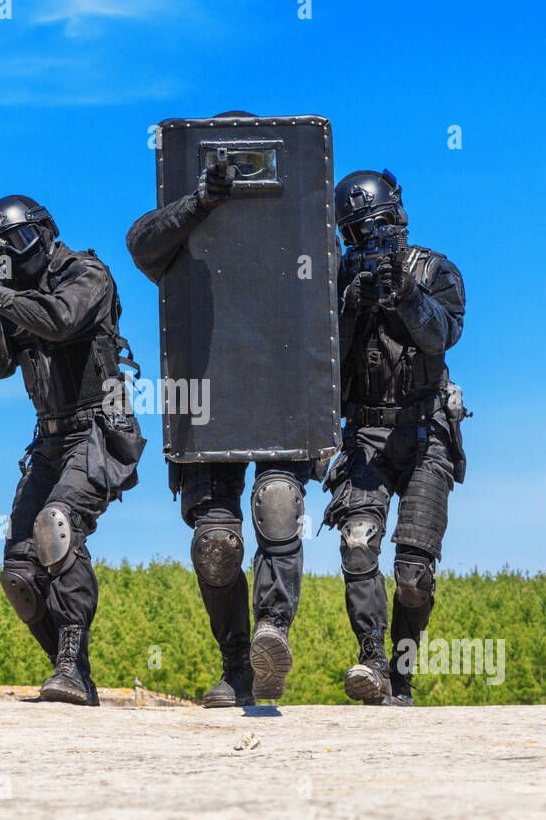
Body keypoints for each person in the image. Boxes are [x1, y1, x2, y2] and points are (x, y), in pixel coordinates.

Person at [126, 137, 313, 706]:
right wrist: (201, 203)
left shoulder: (299, 226)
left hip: (282, 390)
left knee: (278, 504)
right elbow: (139, 244)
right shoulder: (181, 231)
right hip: (204, 400)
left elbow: (326, 303)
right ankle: (238, 668)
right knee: (215, 543)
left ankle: (271, 631)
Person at [0, 195, 145, 706]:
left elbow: (60, 320)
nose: (12, 252)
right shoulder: (13, 292)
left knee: (56, 527)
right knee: (19, 573)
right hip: (51, 437)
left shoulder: (87, 275)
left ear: (45, 233)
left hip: (98, 428)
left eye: (17, 240)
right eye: (1, 246)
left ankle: (71, 668)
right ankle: (73, 670)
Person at [322, 170, 468, 706]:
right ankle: (372, 663)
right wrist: (351, 309)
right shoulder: (337, 281)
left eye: (377, 227)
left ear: (399, 218)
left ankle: (402, 680)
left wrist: (404, 294)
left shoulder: (434, 270)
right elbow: (324, 366)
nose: (370, 241)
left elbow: (443, 332)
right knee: (357, 545)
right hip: (366, 434)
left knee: (413, 573)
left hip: (426, 431)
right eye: (357, 232)